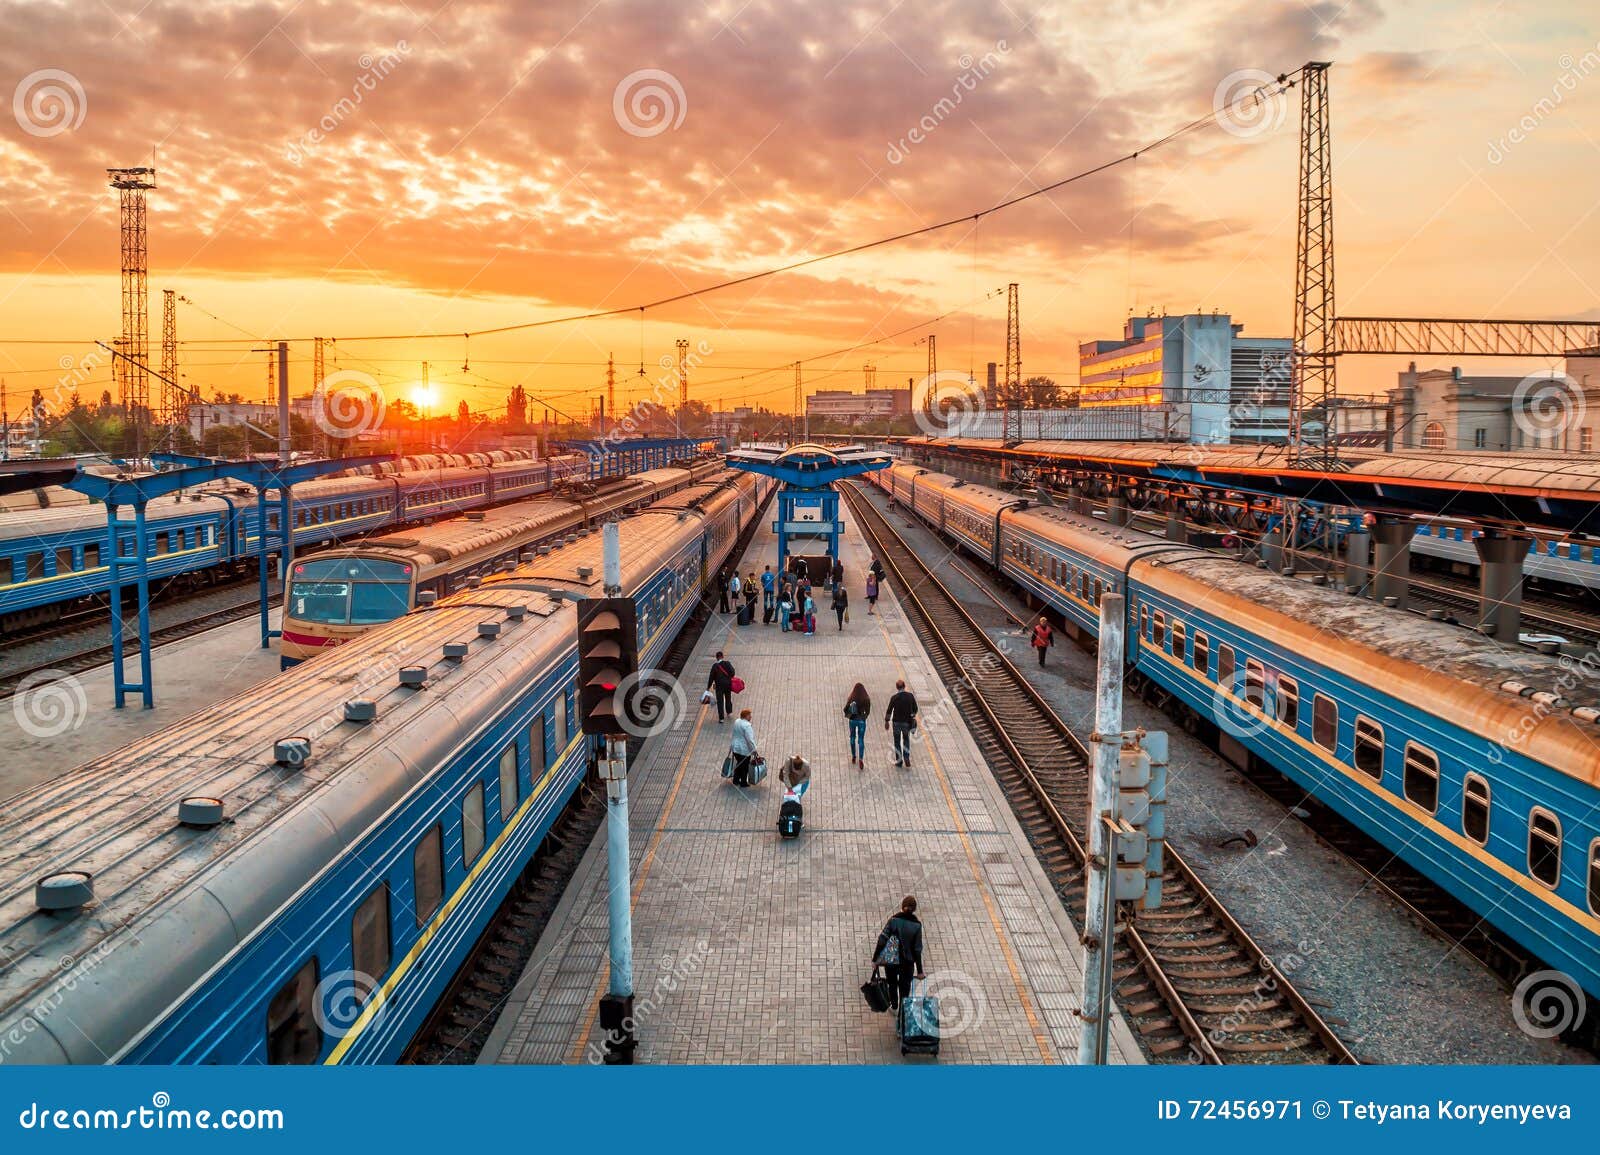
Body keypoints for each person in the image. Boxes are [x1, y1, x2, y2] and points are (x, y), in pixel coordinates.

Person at [873, 895, 925, 1007]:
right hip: (908, 962)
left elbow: (882, 939)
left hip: (892, 959)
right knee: (905, 987)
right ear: (914, 909)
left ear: (902, 906)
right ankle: (902, 1007)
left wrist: (875, 959)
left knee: (892, 983)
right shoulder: (916, 925)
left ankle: (894, 1002)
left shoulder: (893, 920)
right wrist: (920, 971)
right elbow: (917, 949)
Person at [885, 679, 918, 768]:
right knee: (906, 740)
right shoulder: (910, 696)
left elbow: (889, 710)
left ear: (897, 687)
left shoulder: (894, 697)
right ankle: (906, 757)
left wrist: (887, 721)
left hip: (896, 723)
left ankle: (899, 761)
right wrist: (912, 715)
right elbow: (915, 709)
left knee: (897, 741)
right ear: (904, 686)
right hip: (906, 723)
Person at [843, 683, 871, 768]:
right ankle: (861, 759)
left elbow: (845, 708)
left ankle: (854, 756)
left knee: (852, 737)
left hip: (852, 720)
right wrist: (864, 717)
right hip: (861, 720)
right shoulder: (866, 698)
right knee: (861, 739)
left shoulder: (851, 698)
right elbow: (868, 710)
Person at [729, 707, 759, 787]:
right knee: (744, 766)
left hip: (735, 747)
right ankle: (743, 782)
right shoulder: (747, 726)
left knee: (739, 763)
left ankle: (736, 779)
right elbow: (750, 740)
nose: (751, 717)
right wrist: (754, 750)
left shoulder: (737, 721)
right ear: (746, 716)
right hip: (743, 750)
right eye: (749, 715)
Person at [707, 651, 736, 723]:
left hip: (719, 686)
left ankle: (721, 718)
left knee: (720, 701)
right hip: (727, 685)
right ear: (722, 656)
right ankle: (729, 712)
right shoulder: (727, 663)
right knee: (728, 698)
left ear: (716, 658)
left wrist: (708, 687)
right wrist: (728, 678)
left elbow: (711, 677)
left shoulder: (714, 666)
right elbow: (733, 673)